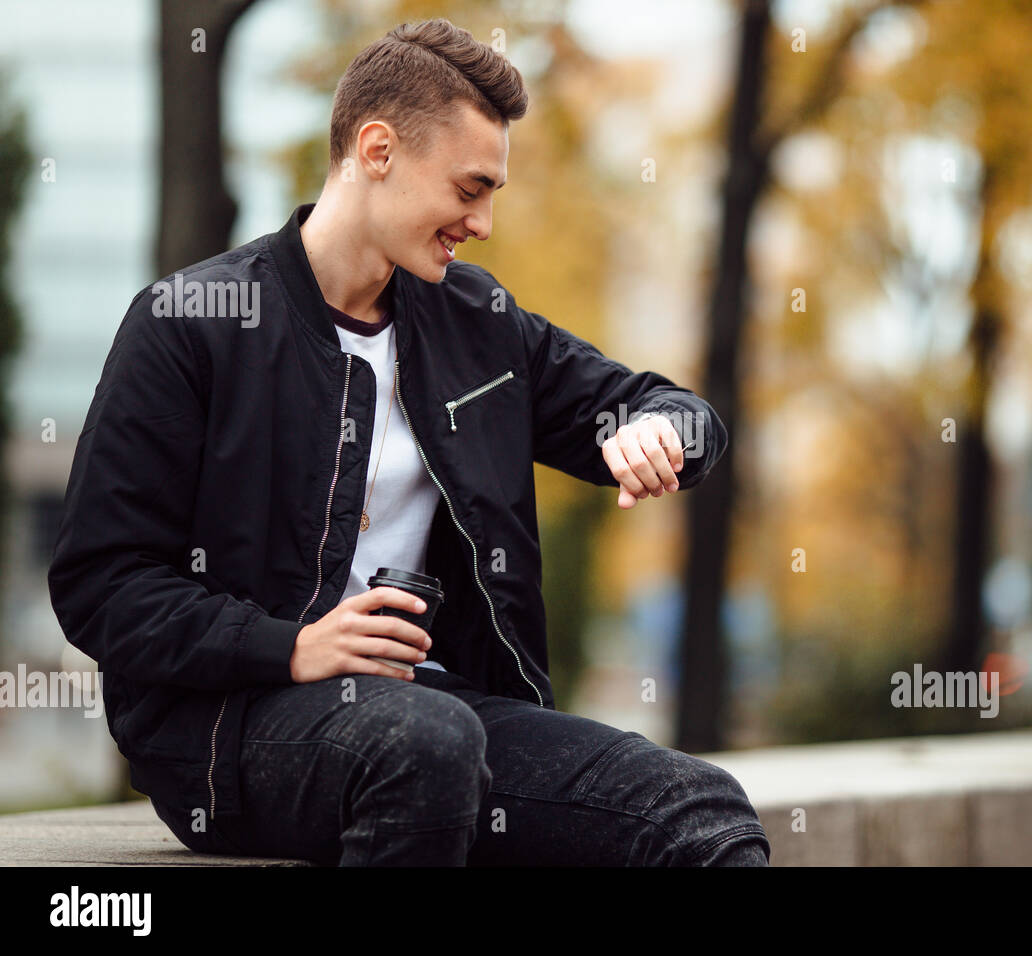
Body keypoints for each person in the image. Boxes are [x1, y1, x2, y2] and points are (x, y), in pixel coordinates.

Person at [46, 17, 770, 866]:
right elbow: (101, 583)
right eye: (470, 189)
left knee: (700, 807)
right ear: (377, 149)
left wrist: (661, 430)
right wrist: (292, 645)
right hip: (228, 727)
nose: (485, 221)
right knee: (423, 747)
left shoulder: (479, 326)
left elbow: (674, 409)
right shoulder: (191, 324)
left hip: (444, 713)